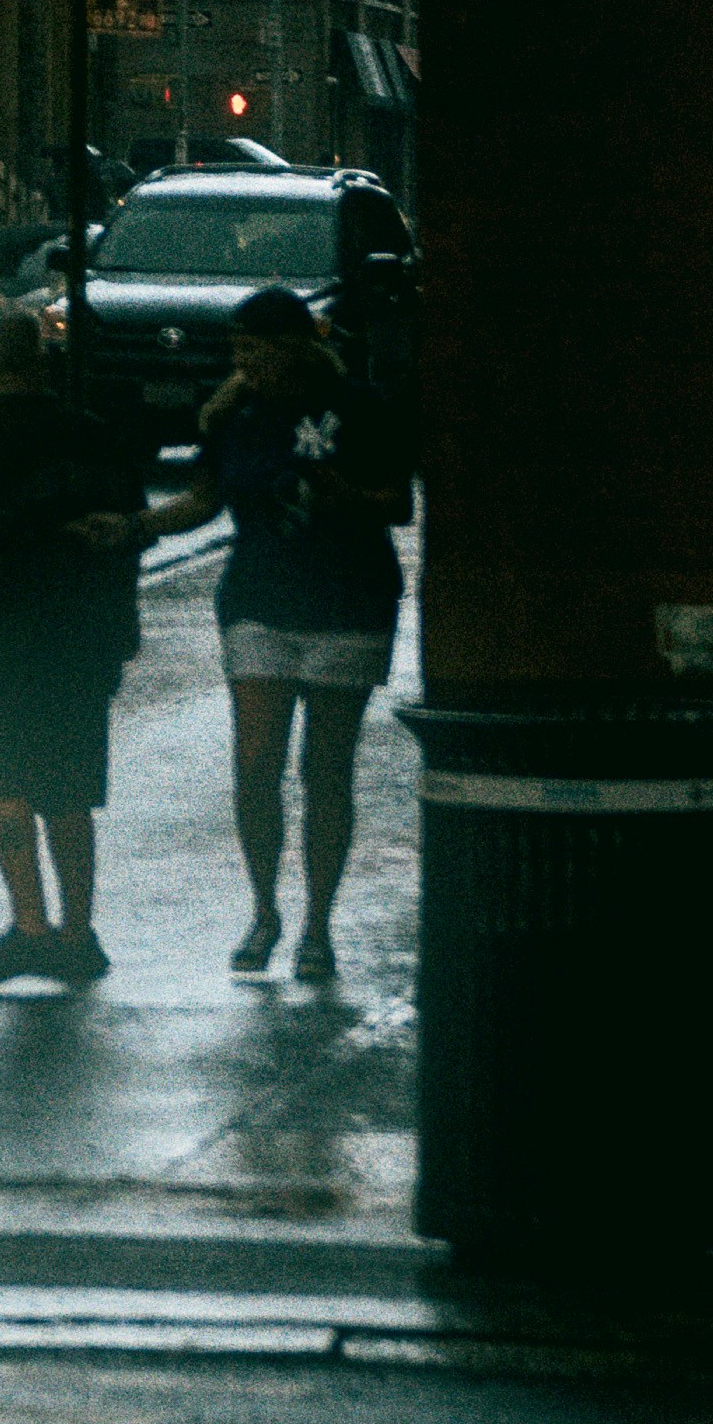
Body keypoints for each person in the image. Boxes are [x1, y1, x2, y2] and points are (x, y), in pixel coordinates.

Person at [157, 278, 406, 983]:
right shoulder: (236, 415)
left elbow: (398, 502)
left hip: (347, 600)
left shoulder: (358, 409)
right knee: (256, 761)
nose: (246, 365)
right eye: (238, 351)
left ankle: (318, 923)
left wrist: (347, 498)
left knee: (325, 768)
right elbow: (205, 498)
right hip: (260, 597)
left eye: (257, 350)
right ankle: (264, 908)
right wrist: (139, 526)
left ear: (295, 349)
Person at [0, 301, 142, 988]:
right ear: (42, 365)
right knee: (69, 788)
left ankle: (29, 924)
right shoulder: (91, 436)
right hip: (78, 634)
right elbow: (130, 532)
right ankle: (77, 932)